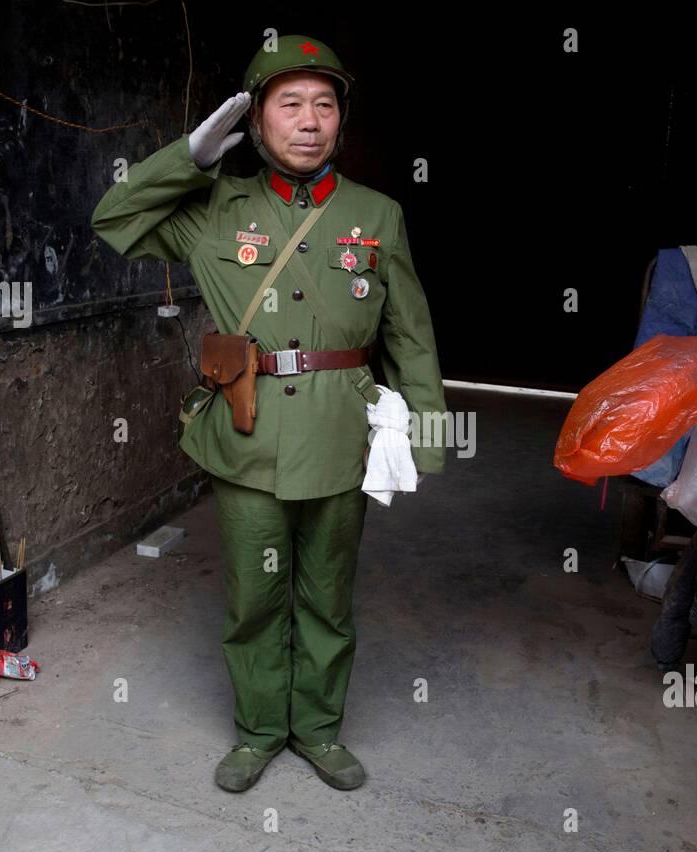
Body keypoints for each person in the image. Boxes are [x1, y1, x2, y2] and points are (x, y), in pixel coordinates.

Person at [91, 35, 446, 792]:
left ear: (341, 120)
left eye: (325, 104)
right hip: (246, 438)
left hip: (339, 437)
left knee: (328, 594)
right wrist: (187, 157)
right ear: (256, 123)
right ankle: (257, 732)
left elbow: (410, 333)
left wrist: (430, 435)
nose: (310, 121)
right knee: (254, 596)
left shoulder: (376, 214)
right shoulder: (214, 207)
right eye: (289, 104)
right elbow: (113, 220)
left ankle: (317, 730)